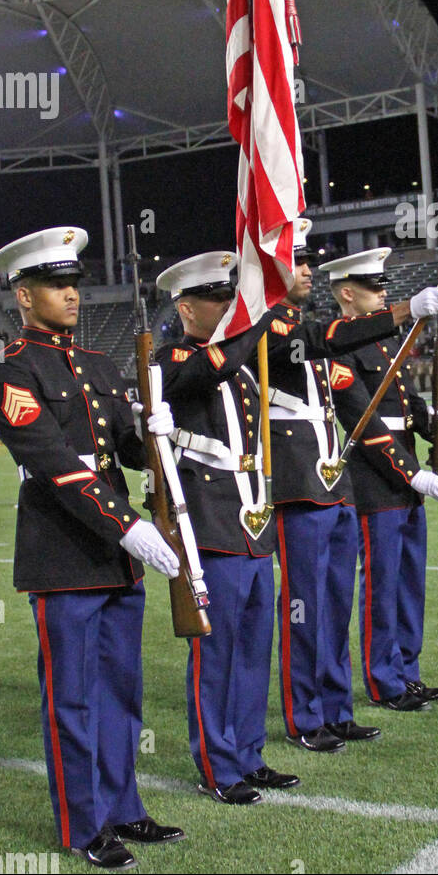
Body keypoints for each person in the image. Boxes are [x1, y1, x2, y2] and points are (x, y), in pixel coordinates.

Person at [0, 227, 184, 871]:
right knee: (72, 697)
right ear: (23, 296)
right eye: (56, 286)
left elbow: (123, 449)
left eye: (74, 284)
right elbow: (55, 465)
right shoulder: (9, 369)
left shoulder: (96, 365)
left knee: (122, 691)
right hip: (64, 554)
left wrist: (158, 436)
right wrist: (126, 523)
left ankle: (124, 807)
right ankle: (82, 825)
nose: (71, 294)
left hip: (117, 559)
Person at [261, 219, 438, 752]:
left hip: (332, 480)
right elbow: (334, 358)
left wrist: (433, 421)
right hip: (302, 481)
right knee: (306, 606)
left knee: (335, 603)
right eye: (295, 261)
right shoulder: (275, 330)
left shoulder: (310, 327)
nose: (304, 270)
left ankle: (336, 707)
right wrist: (405, 311)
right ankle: (306, 715)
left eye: (305, 260)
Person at [156, 252, 300, 805]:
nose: (229, 307)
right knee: (215, 653)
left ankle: (248, 753)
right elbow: (207, 368)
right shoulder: (172, 360)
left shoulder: (240, 363)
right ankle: (217, 764)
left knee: (253, 647)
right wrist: (258, 317)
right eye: (219, 298)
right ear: (186, 306)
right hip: (209, 523)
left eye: (231, 296)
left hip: (251, 520)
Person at [322, 248, 438, 712]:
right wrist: (412, 473)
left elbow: (408, 405)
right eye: (373, 288)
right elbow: (361, 422)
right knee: (382, 585)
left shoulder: (384, 344)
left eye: (384, 287)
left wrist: (436, 422)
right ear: (347, 293)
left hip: (407, 480)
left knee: (407, 582)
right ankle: (384, 680)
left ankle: (407, 670)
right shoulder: (339, 347)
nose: (383, 295)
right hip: (376, 482)